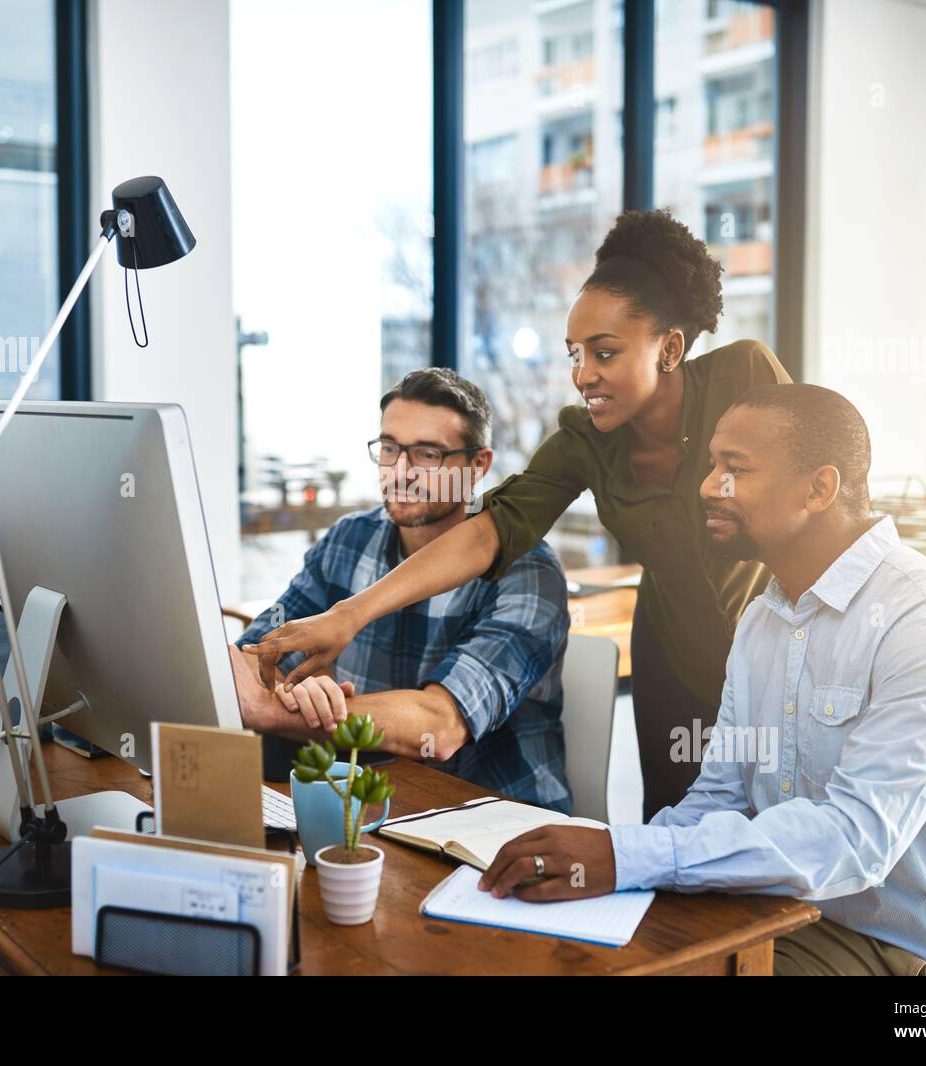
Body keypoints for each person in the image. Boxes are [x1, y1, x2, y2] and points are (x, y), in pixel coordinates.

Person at [247, 209, 792, 818]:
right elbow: (490, 533)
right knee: (683, 824)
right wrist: (348, 617)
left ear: (669, 348)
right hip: (675, 647)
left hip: (778, 636)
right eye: (574, 354)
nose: (584, 375)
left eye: (605, 353)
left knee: (791, 812)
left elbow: (814, 494)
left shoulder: (743, 376)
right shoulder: (585, 440)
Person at [478, 384, 926, 977]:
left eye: (734, 469)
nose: (708, 486)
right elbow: (720, 794)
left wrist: (625, 855)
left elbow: (854, 838)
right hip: (782, 910)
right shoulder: (764, 617)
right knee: (550, 949)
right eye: (712, 464)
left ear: (819, 489)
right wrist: (618, 865)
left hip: (920, 955)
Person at [229, 368, 573, 811]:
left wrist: (277, 711)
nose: (401, 471)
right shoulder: (349, 539)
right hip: (380, 807)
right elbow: (256, 660)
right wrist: (299, 694)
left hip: (498, 825)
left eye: (427, 454)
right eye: (390, 448)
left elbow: (442, 727)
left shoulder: (528, 571)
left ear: (478, 466)